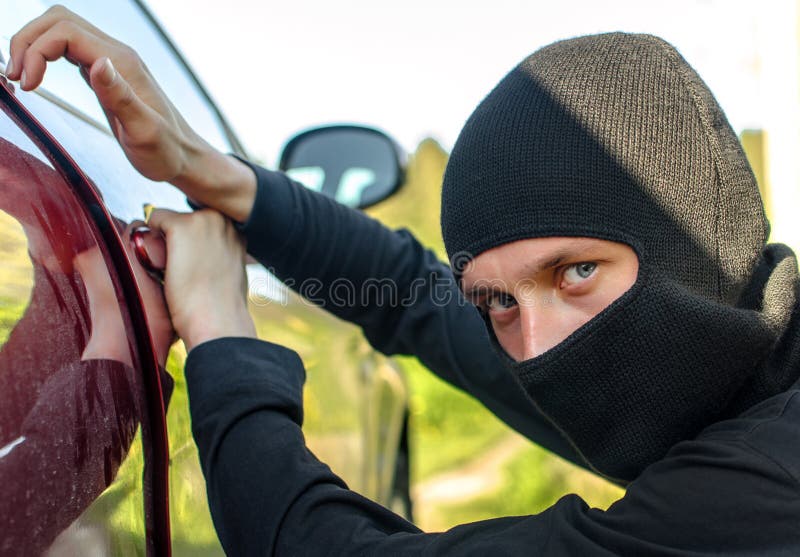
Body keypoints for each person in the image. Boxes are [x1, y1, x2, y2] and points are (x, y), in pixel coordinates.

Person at [9, 6, 800, 556]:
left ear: (694, 234)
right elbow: (415, 293)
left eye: (577, 271)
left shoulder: (759, 489)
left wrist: (218, 325)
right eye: (497, 302)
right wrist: (201, 168)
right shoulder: (733, 362)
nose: (536, 350)